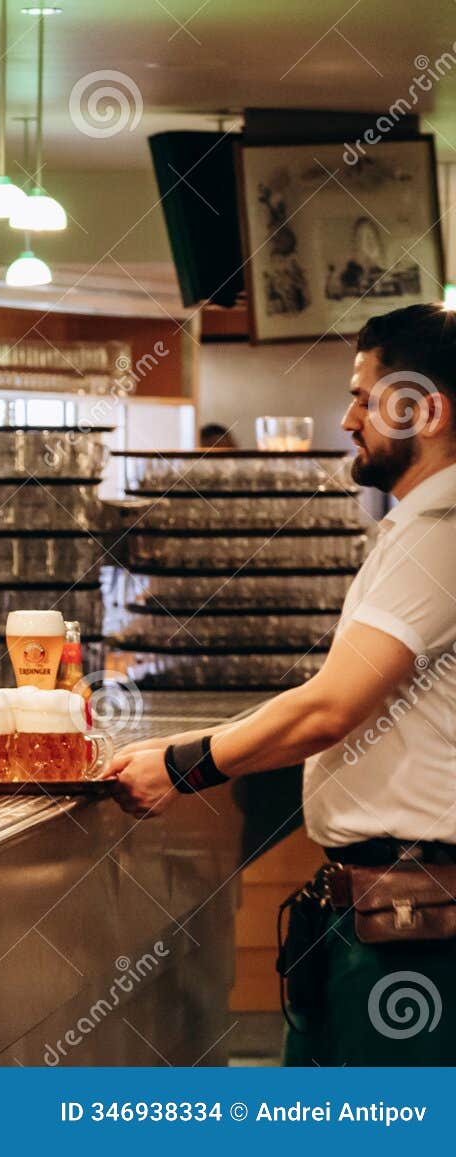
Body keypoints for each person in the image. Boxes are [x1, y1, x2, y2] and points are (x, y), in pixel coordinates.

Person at [110, 303, 456, 1065]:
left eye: (364, 398)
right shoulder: (419, 529)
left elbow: (332, 710)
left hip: (418, 921)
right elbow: (333, 689)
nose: (347, 417)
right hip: (386, 906)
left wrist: (183, 767)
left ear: (425, 409)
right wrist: (181, 741)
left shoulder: (440, 535)